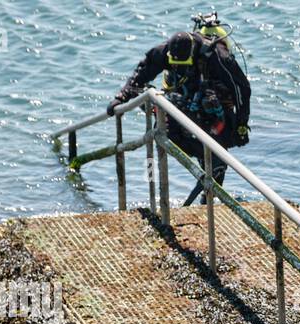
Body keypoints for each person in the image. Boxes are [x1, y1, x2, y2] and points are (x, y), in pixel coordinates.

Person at [107, 17, 250, 205]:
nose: (179, 69)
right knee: (168, 131)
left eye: (183, 66)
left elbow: (242, 89)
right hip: (181, 103)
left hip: (212, 106)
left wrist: (241, 124)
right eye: (175, 66)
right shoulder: (165, 51)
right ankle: (207, 171)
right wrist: (122, 96)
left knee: (217, 153)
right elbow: (143, 70)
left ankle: (210, 187)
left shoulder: (217, 56)